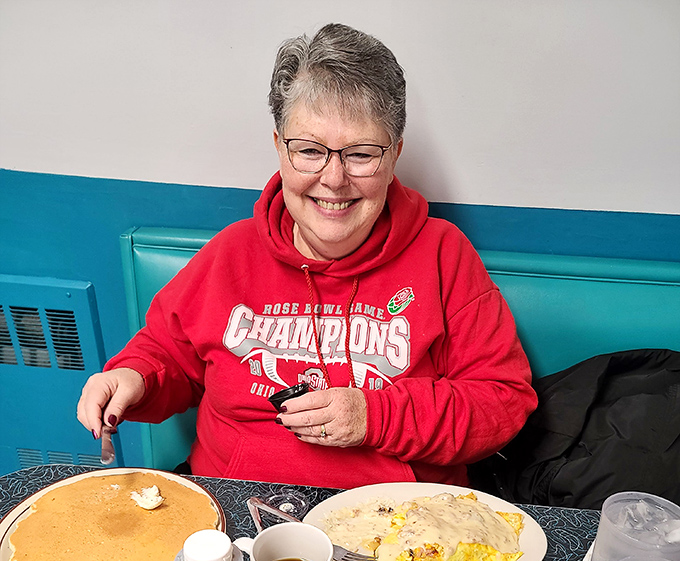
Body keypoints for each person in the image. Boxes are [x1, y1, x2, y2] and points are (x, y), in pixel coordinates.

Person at [77, 23, 537, 488]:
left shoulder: (443, 254)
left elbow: (502, 400)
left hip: (397, 531)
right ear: (280, 147)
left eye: (360, 154)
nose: (334, 179)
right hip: (235, 516)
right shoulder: (231, 252)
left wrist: (373, 416)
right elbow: (168, 355)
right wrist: (132, 378)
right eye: (310, 150)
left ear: (394, 155)